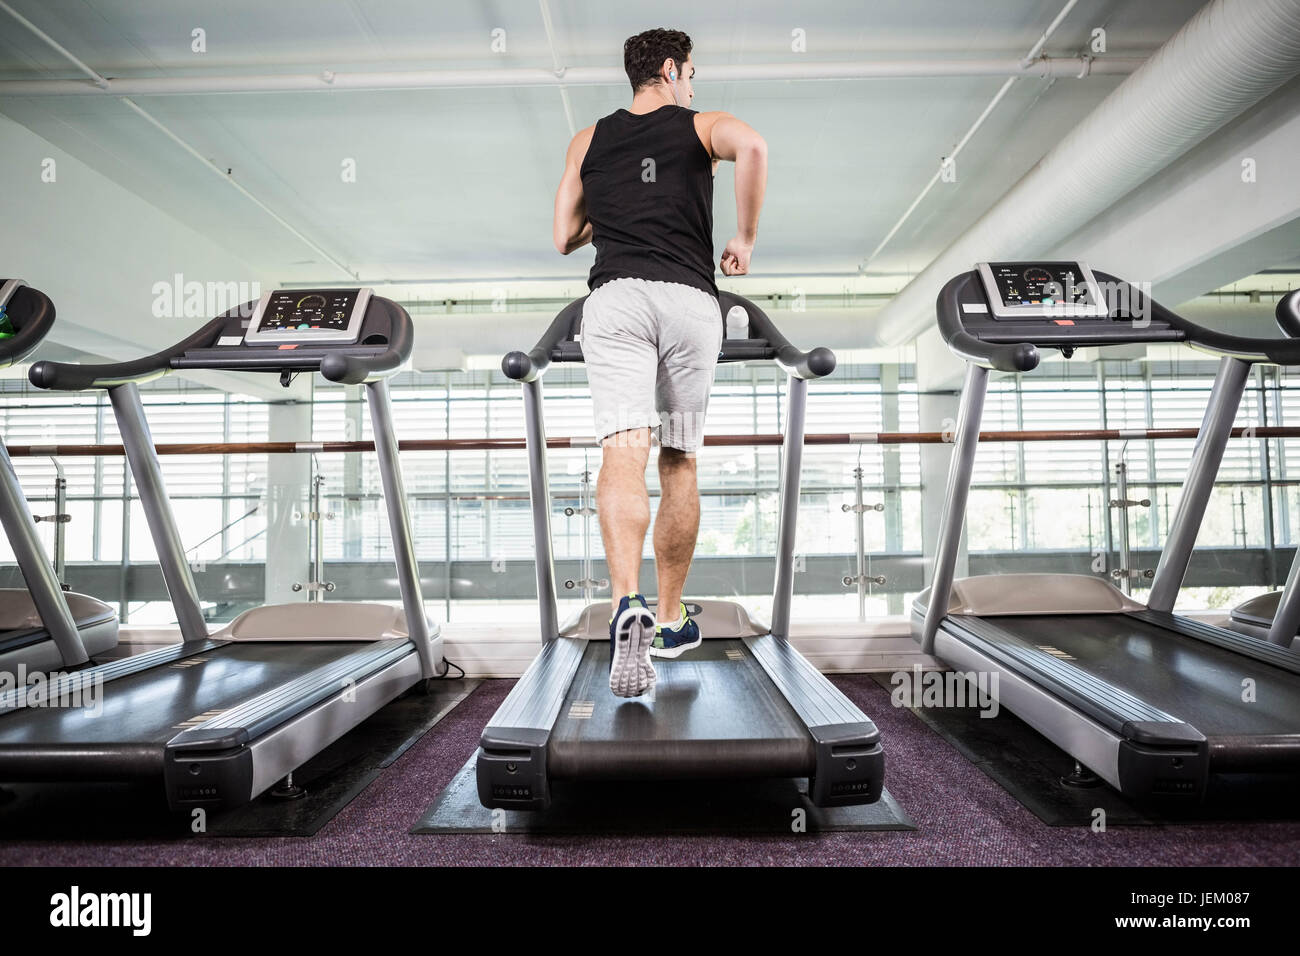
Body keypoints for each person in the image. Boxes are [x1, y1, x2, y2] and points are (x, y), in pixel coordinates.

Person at [551, 27, 768, 697]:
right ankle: (671, 620)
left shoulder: (588, 139)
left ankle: (626, 603)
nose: (694, 87)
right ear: (671, 70)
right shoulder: (702, 125)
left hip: (615, 298)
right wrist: (744, 237)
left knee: (624, 450)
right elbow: (754, 147)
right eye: (692, 74)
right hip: (689, 301)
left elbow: (564, 236)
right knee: (678, 457)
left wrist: (615, 209)